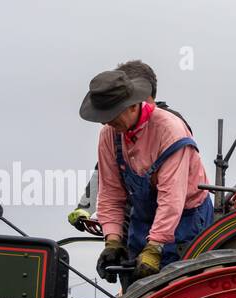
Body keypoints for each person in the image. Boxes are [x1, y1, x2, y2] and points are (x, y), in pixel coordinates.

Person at [79, 68, 213, 283]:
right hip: (142, 220)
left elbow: (171, 200)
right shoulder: (109, 134)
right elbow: (110, 193)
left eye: (110, 115)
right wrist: (113, 241)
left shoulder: (170, 130)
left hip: (186, 221)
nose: (105, 123)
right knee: (133, 289)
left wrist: (154, 249)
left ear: (133, 105)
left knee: (171, 289)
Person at [67, 60, 192, 234]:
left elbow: (173, 194)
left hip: (174, 217)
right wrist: (84, 207)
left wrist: (155, 244)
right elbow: (103, 175)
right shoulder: (115, 130)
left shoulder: (171, 125)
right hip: (130, 216)